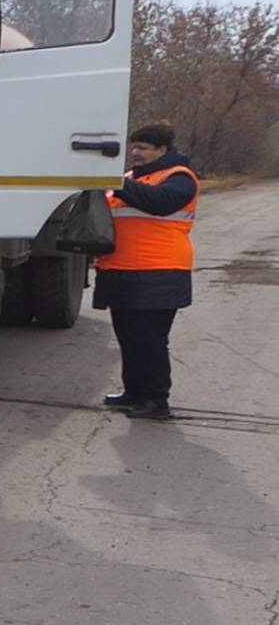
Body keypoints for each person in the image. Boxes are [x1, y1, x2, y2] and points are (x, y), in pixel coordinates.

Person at [95, 121, 198, 421]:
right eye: (134, 147)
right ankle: (134, 392)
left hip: (160, 271)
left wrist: (118, 182)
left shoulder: (179, 178)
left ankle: (156, 400)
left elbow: (159, 203)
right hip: (121, 270)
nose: (135, 153)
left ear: (162, 150)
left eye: (142, 148)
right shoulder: (128, 178)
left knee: (150, 339)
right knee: (128, 336)